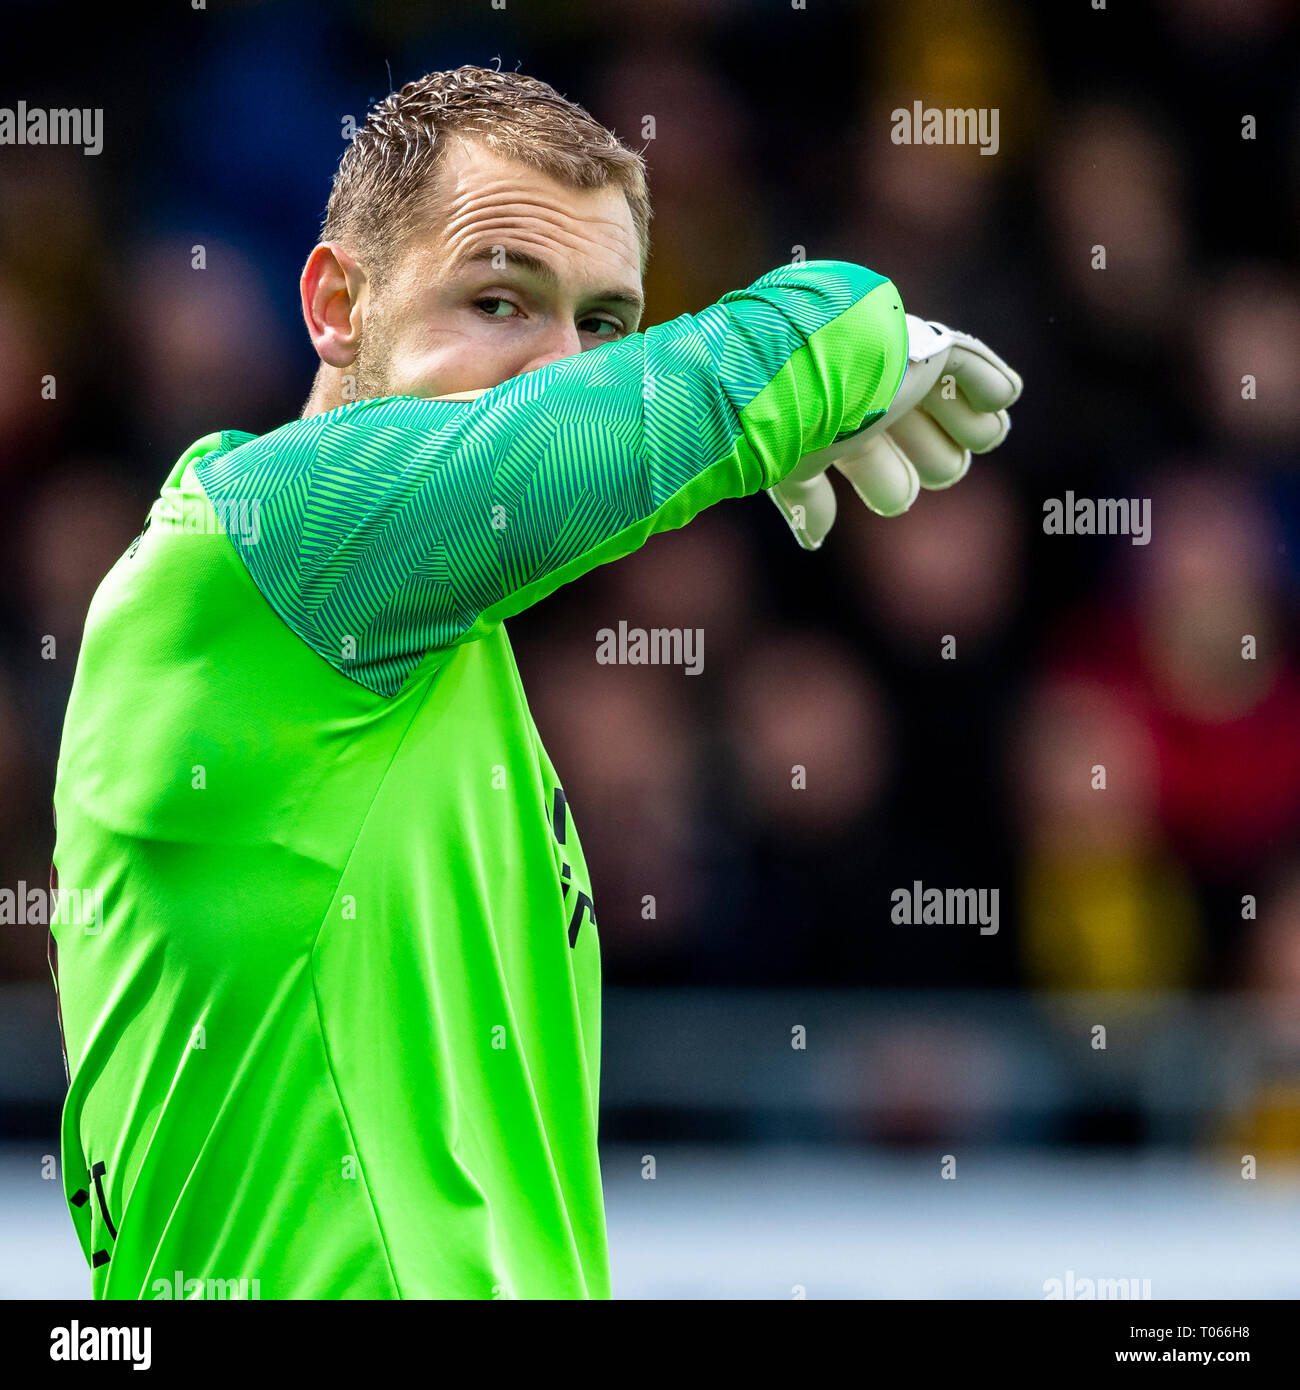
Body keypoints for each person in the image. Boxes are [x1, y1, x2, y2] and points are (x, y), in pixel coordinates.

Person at [49, 64, 1019, 1299]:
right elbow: (778, 342)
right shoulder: (263, 535)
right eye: (501, 300)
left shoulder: (430, 647)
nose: (566, 369)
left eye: (605, 325)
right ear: (338, 305)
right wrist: (858, 332)